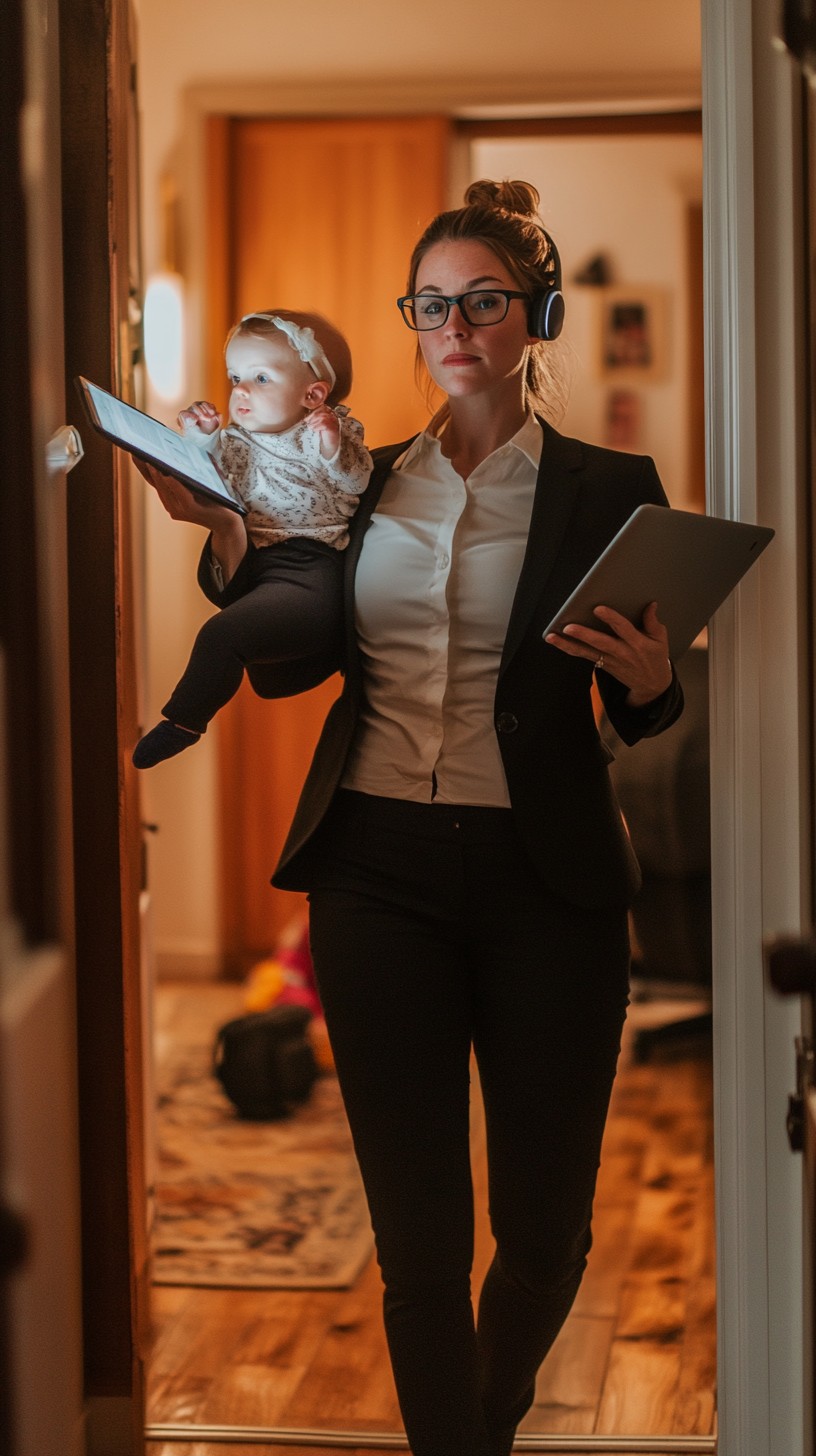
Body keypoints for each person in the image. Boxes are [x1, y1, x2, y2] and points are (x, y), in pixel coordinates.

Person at [140, 179, 683, 1456]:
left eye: (481, 300)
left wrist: (655, 691)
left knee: (548, 1229)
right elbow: (289, 659)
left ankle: (478, 1426)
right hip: (375, 873)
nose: (453, 324)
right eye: (430, 303)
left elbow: (642, 698)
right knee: (420, 1238)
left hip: (548, 878)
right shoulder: (362, 481)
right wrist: (224, 533)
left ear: (534, 316)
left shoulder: (616, 485)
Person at [132, 309, 372, 767]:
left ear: (312, 395)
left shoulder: (323, 433)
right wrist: (201, 439)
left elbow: (355, 480)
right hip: (257, 559)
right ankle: (188, 715)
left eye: (261, 378)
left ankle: (183, 721)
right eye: (236, 376)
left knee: (222, 634)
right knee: (230, 622)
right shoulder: (238, 441)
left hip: (309, 568)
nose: (240, 390)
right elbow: (213, 477)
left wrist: (333, 445)